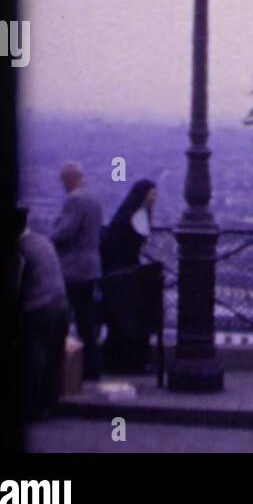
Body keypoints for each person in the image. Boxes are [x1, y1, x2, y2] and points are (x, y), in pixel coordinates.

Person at [50, 161, 104, 380]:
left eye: (64, 181)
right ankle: (92, 368)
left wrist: (47, 238)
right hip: (91, 266)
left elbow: (65, 232)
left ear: (70, 178)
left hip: (72, 268)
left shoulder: (75, 199)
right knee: (86, 320)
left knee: (62, 318)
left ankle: (63, 369)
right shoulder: (94, 198)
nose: (63, 186)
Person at [16, 206, 69, 421]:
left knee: (33, 356)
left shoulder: (21, 248)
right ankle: (49, 403)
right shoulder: (43, 241)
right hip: (60, 303)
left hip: (38, 306)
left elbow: (17, 284)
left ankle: (32, 407)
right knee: (54, 356)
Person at [100, 179, 157, 374]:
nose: (154, 197)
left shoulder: (127, 215)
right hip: (126, 274)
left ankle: (117, 361)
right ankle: (131, 360)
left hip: (117, 272)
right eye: (151, 193)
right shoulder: (140, 216)